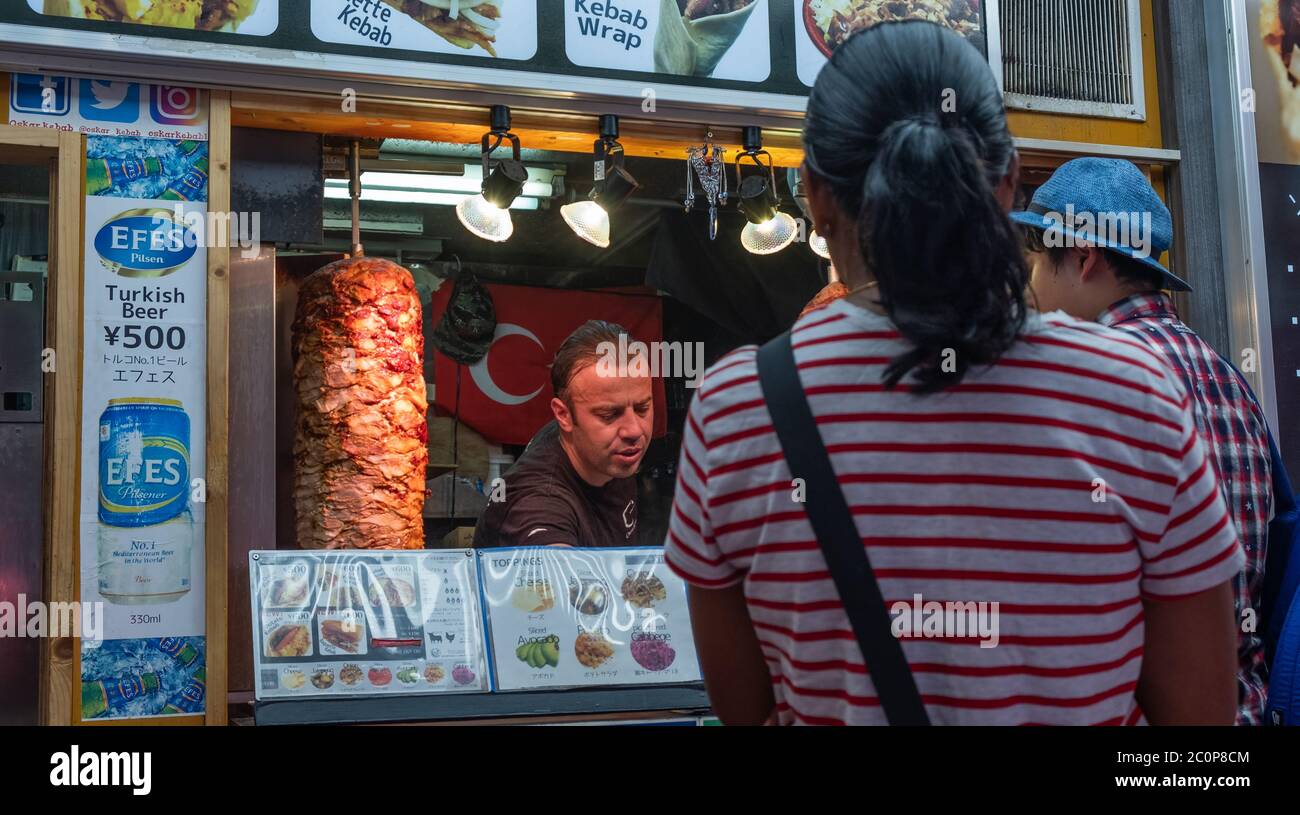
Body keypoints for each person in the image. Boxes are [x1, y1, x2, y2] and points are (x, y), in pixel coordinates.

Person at [663, 20, 1244, 725]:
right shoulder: (1136, 393)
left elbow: (747, 710)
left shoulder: (734, 411)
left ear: (814, 194)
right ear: (1007, 183)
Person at [1013, 157, 1274, 724]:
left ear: (1082, 258)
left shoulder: (1085, 382)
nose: (1030, 285)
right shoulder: (1229, 378)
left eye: (1035, 261)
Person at [474, 320, 652, 547]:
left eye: (642, 408)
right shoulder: (538, 504)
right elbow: (554, 564)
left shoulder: (612, 449)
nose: (634, 430)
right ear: (564, 416)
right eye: (609, 415)